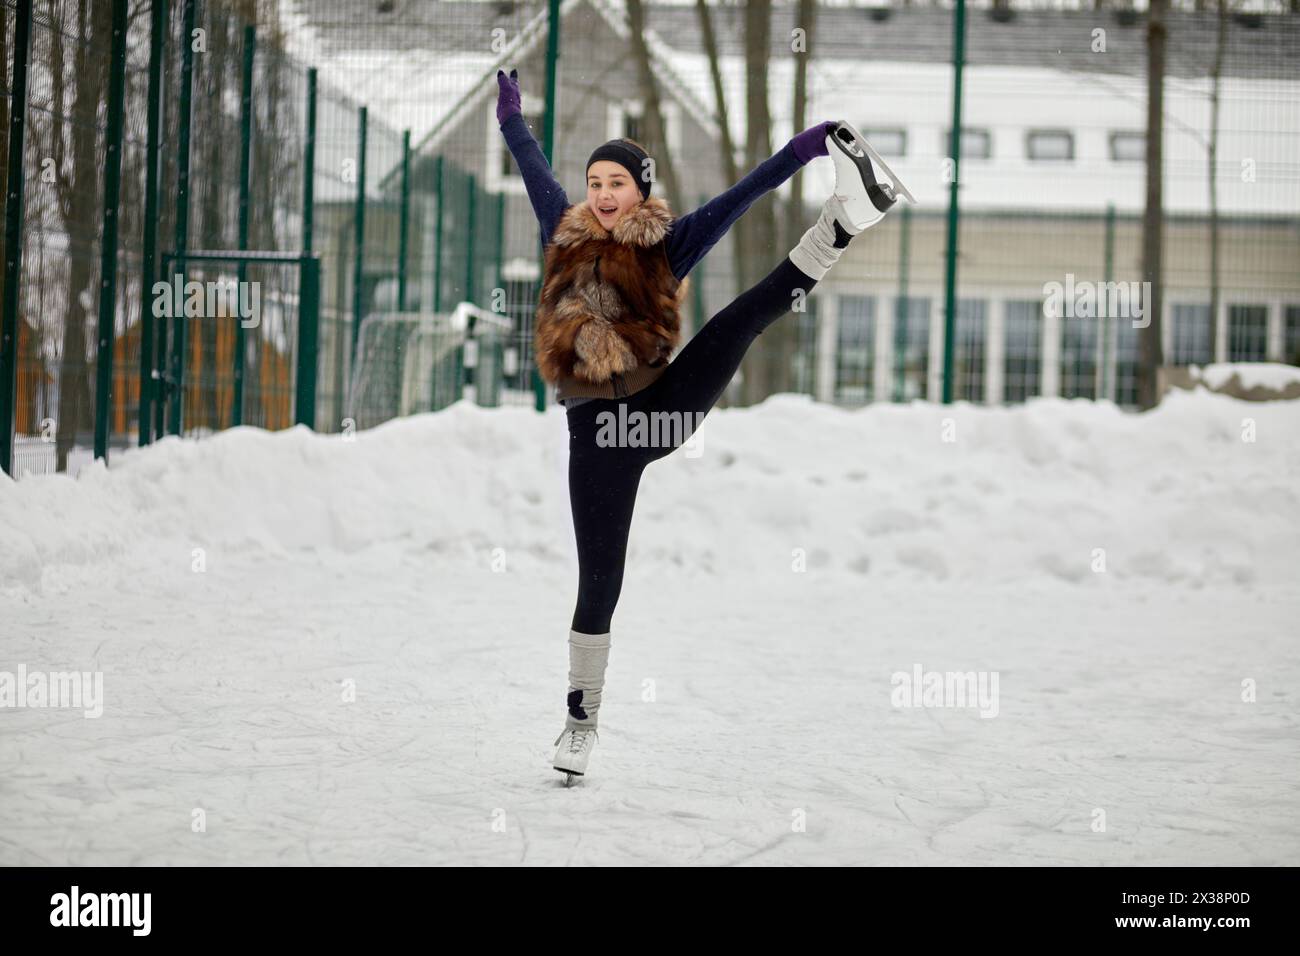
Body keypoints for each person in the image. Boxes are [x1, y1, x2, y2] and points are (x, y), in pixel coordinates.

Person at [495, 68, 912, 782]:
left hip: (658, 414)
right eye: (594, 181)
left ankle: (845, 222)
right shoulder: (560, 233)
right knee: (599, 583)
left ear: (641, 193)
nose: (601, 194)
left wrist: (801, 151)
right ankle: (579, 724)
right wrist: (510, 119)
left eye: (616, 183)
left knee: (739, 320)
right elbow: (531, 165)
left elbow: (739, 199)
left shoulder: (666, 245)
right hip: (598, 441)